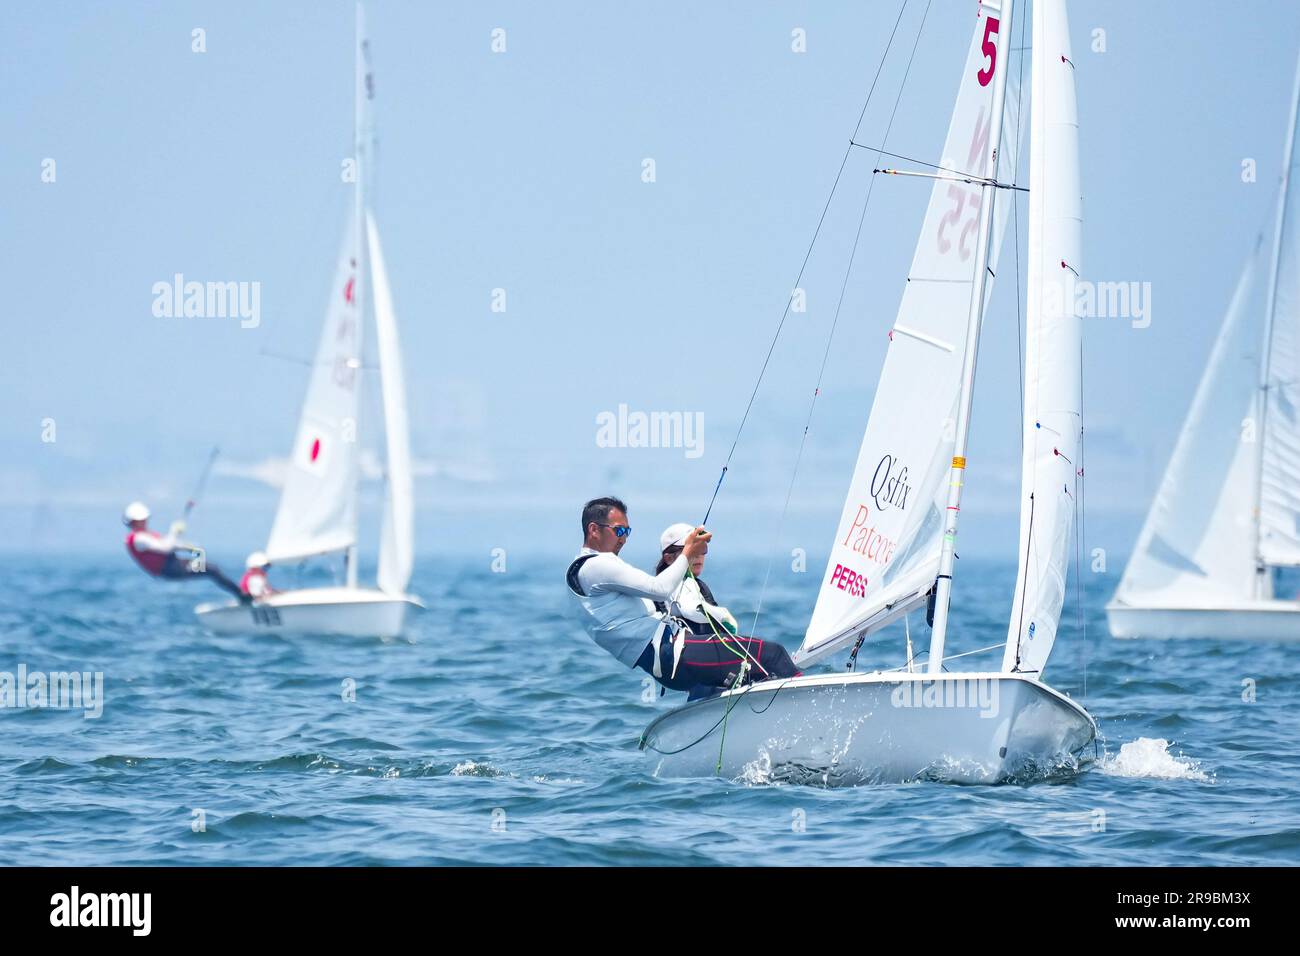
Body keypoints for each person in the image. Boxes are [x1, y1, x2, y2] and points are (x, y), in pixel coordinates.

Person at [566, 497, 795, 696]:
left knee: (755, 672)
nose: (624, 539)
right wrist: (688, 551)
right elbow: (660, 589)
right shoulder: (596, 566)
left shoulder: (586, 571)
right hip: (673, 655)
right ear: (594, 530)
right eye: (619, 531)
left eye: (628, 532)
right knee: (772, 654)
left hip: (669, 664)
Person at [653, 521, 800, 687]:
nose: (699, 556)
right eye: (692, 550)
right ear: (669, 558)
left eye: (702, 550)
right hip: (680, 657)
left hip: (680, 667)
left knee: (753, 673)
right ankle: (807, 700)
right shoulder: (672, 582)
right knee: (774, 654)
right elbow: (691, 608)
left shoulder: (697, 586)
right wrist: (724, 617)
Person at [122, 501, 245, 600]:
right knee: (211, 570)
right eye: (140, 520)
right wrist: (174, 532)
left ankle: (241, 593)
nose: (144, 522)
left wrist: (190, 547)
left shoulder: (145, 535)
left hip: (175, 563)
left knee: (212, 567)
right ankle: (243, 595)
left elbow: (170, 544)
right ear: (133, 522)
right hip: (170, 569)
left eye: (144, 519)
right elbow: (166, 548)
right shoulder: (138, 538)